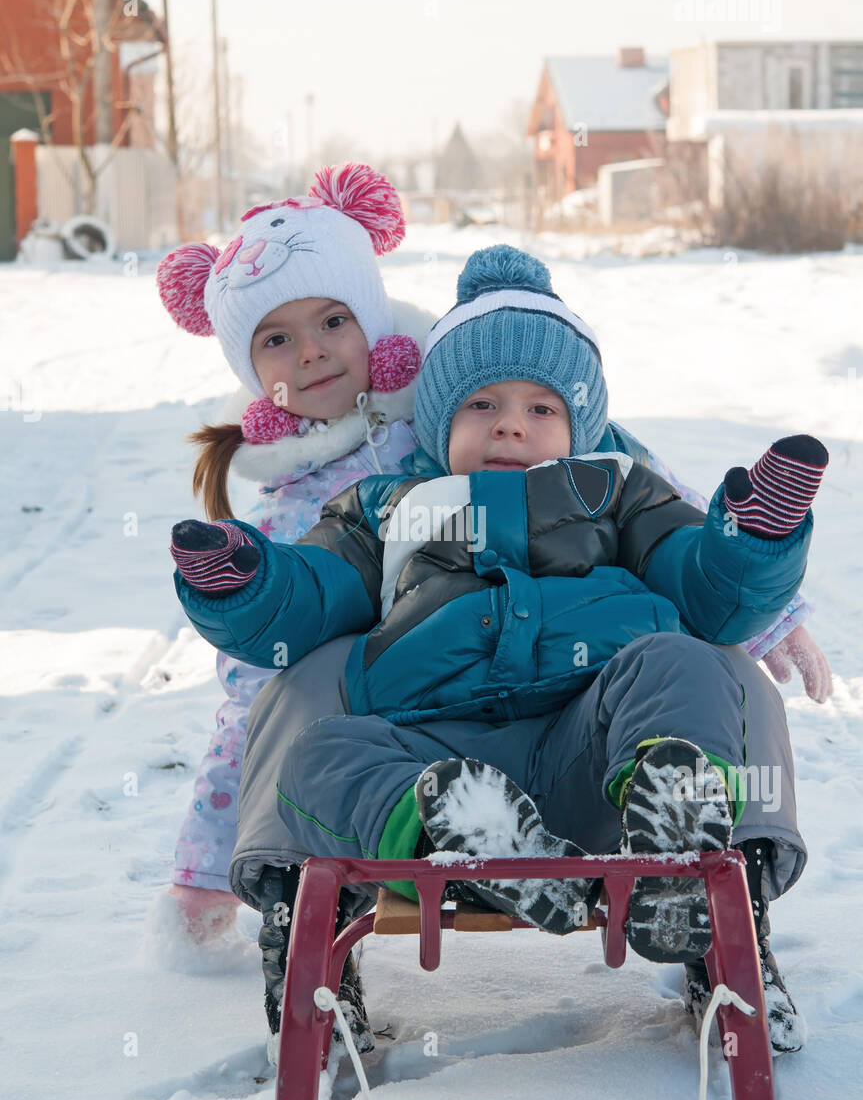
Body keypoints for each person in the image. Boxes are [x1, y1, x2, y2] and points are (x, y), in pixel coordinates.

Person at [169, 245, 829, 1054]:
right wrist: (242, 582)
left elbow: (707, 590)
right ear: (438, 423)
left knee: (687, 660)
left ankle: (679, 840)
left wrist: (750, 539)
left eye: (541, 409)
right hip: (431, 753)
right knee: (319, 748)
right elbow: (305, 600)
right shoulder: (384, 510)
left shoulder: (620, 491)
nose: (511, 423)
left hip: (599, 762)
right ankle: (455, 831)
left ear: (580, 427)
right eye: (481, 404)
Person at [157, 164, 432, 1043]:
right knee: (286, 709)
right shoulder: (287, 498)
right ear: (251, 371)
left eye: (332, 320)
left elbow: (601, 471)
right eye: (274, 340)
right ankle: (301, 889)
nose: (310, 351)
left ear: (375, 323)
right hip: (357, 711)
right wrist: (206, 871)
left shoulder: (451, 413)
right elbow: (249, 698)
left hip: (481, 674)